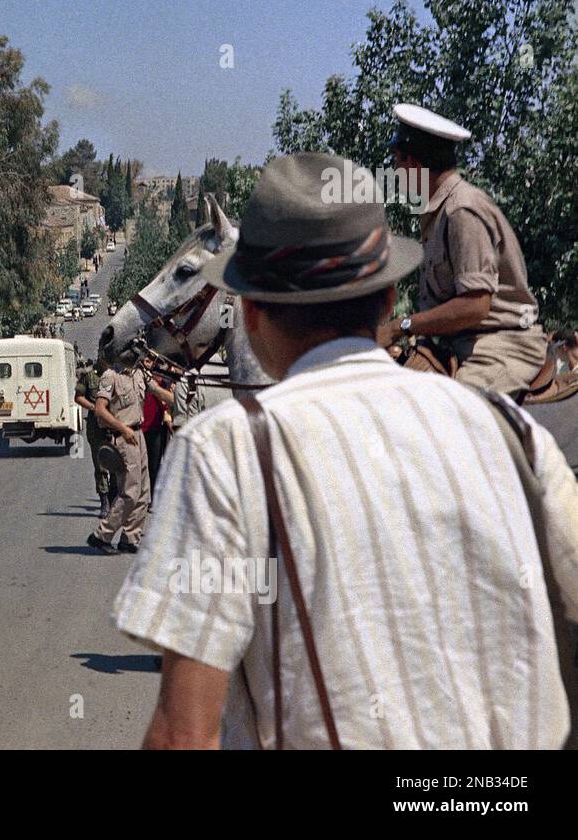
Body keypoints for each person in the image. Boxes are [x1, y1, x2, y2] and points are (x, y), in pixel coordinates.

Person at [115, 152, 578, 749]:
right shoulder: (514, 434)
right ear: (388, 303)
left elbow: (184, 737)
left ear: (250, 312)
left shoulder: (225, 450)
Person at [377, 103, 549, 398]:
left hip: (500, 345)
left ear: (415, 163)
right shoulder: (437, 211)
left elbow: (475, 305)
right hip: (459, 343)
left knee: (454, 417)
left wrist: (399, 327)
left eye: (397, 161)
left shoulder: (461, 210)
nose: (395, 170)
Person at [86, 349, 155, 555]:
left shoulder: (138, 373)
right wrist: (123, 429)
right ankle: (101, 535)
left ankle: (130, 538)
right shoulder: (111, 376)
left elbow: (158, 392)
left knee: (144, 493)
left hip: (138, 433)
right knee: (130, 492)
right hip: (124, 436)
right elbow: (100, 409)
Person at [74, 355, 113, 519]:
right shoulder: (89, 376)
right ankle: (104, 502)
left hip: (117, 424)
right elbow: (78, 397)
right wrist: (93, 407)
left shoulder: (117, 374)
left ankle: (116, 498)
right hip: (96, 427)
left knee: (120, 465)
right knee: (101, 465)